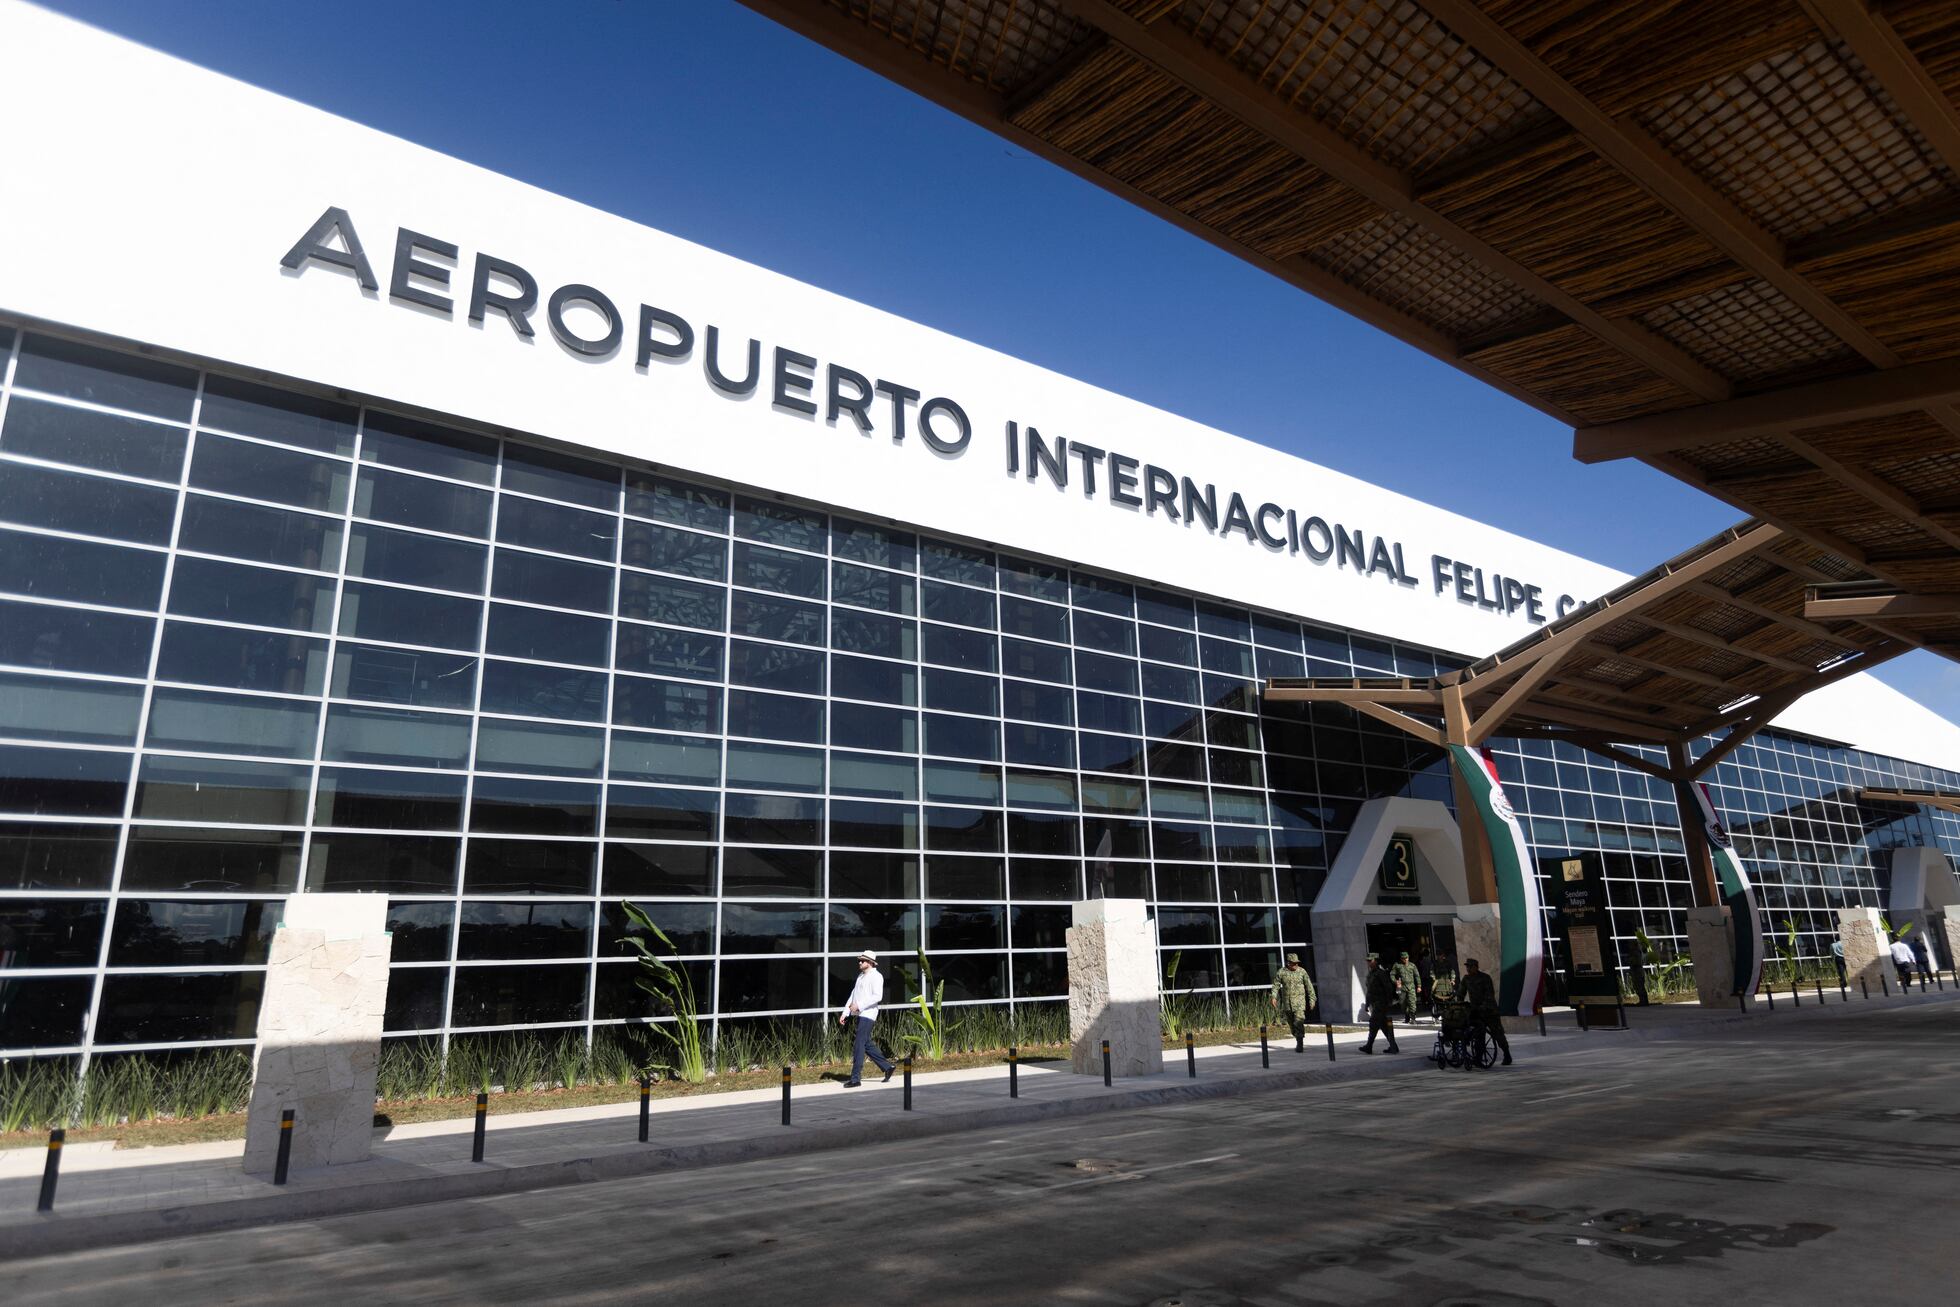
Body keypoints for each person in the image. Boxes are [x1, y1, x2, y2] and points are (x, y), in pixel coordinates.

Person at [837, 949, 896, 1087]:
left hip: (868, 1015)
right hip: (860, 1013)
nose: (859, 962)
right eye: (859, 960)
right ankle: (887, 1067)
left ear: (870, 962)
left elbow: (877, 996)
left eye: (862, 960)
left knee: (859, 1045)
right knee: (866, 1043)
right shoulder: (860, 976)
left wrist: (859, 1006)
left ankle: (855, 1079)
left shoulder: (877, 976)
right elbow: (853, 995)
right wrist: (845, 1012)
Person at [1459, 958, 1512, 1066]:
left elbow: (1489, 995)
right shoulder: (1466, 979)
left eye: (1470, 966)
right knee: (1478, 1035)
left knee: (1498, 1034)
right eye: (1467, 967)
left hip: (1490, 1011)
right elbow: (1460, 994)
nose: (1468, 969)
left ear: (1476, 967)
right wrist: (1459, 1005)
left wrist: (1481, 1007)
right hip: (1477, 1012)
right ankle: (1478, 1058)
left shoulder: (1485, 978)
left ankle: (1507, 1054)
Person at [1270, 952, 1317, 1052]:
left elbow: (1309, 986)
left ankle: (1300, 1043)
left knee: (1298, 1022)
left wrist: (1312, 999)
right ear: (1288, 963)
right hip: (1287, 1004)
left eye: (1297, 963)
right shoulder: (1281, 972)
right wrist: (1273, 997)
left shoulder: (1302, 972)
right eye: (1294, 963)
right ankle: (1297, 1037)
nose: (1296, 965)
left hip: (1299, 1004)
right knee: (1292, 1025)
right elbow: (1276, 985)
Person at [1359, 954, 1399, 1054]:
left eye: (1370, 960)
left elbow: (1388, 988)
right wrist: (1367, 1004)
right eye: (1367, 961)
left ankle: (1369, 1046)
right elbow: (1369, 991)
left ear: (1376, 961)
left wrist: (1388, 1002)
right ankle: (1393, 1047)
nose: (1368, 962)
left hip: (1381, 1003)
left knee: (1373, 1023)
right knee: (1383, 1025)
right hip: (1374, 1003)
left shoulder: (1381, 973)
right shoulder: (1371, 974)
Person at [1391, 950, 1422, 1023]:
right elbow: (1392, 974)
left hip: (1411, 987)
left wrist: (1419, 986)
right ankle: (1407, 1015)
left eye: (1407, 958)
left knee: (1412, 1002)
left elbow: (1417, 976)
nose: (1406, 959)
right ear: (1401, 958)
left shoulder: (1412, 965)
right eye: (1404, 958)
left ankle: (1413, 1018)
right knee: (1402, 1003)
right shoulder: (1397, 965)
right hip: (1401, 987)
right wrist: (1396, 981)